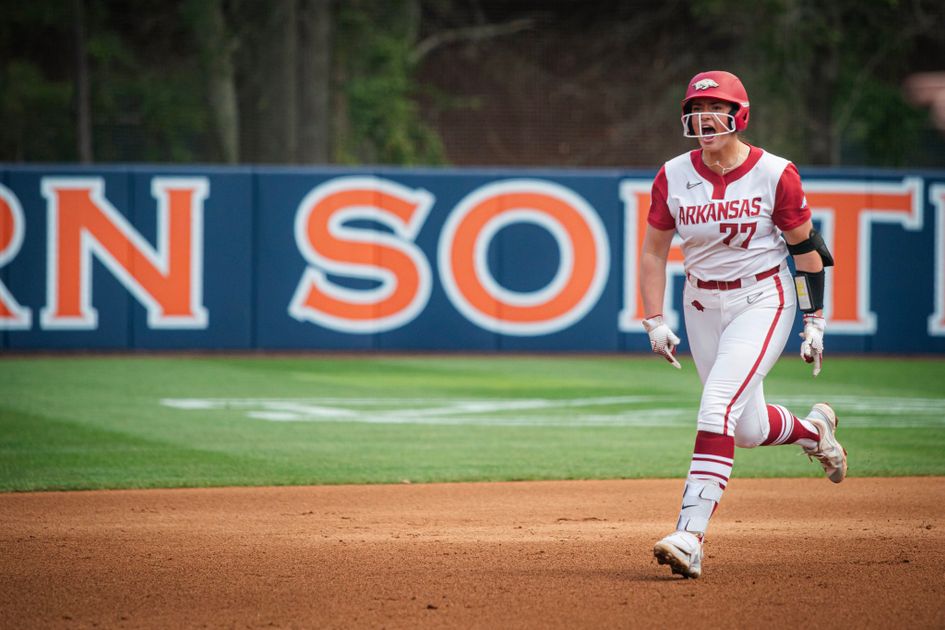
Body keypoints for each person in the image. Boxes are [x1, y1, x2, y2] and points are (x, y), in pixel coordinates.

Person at [638, 70, 847, 579]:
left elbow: (808, 251)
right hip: (701, 304)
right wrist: (653, 319)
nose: (703, 118)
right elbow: (652, 252)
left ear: (739, 116)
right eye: (694, 109)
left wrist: (814, 320)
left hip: (763, 297)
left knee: (716, 404)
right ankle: (814, 431)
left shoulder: (775, 172)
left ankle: (690, 534)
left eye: (715, 109)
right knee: (748, 428)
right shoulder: (673, 173)